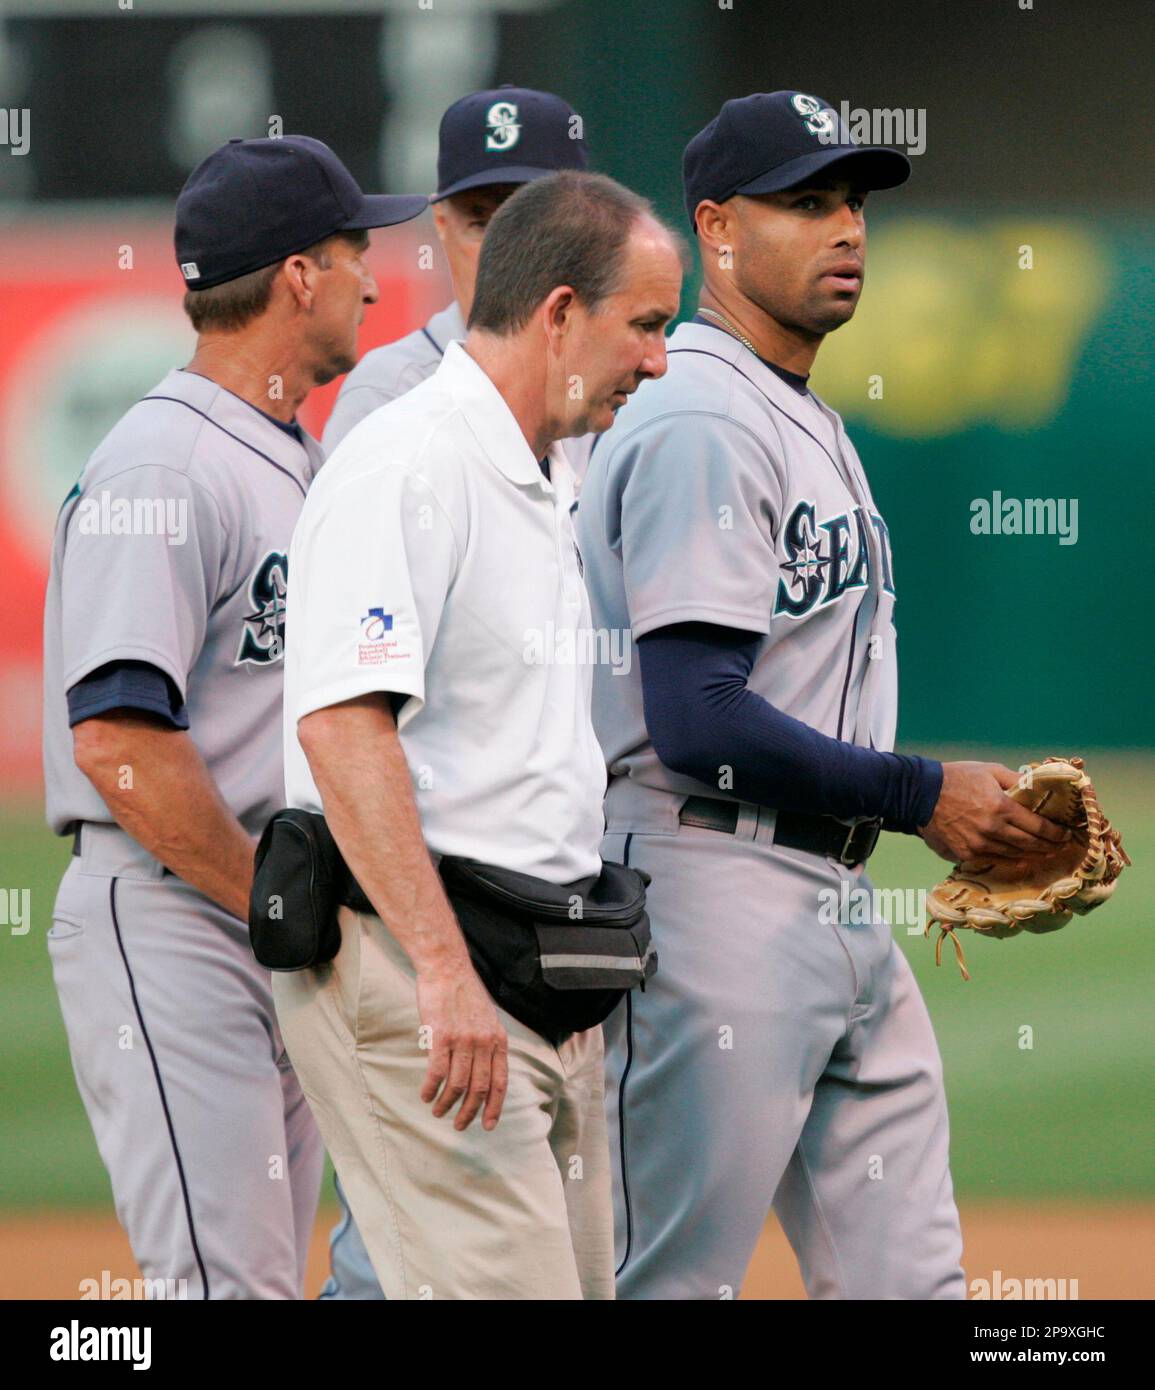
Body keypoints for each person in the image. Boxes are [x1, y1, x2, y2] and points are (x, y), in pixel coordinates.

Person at [575, 91, 1071, 1300]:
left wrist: (921, 801)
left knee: (911, 1280)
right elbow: (698, 719)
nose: (846, 227)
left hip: (831, 895)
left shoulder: (797, 414)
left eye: (852, 202)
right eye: (805, 202)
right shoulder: (700, 413)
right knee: (670, 1281)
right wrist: (923, 795)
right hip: (704, 890)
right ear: (715, 228)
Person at [273, 170, 683, 1300]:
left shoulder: (547, 470)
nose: (658, 360)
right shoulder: (409, 462)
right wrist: (447, 975)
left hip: (535, 970)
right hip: (424, 968)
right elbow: (341, 728)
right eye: (646, 323)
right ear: (560, 312)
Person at [41, 134, 426, 1299]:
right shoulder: (163, 464)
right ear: (299, 275)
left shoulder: (293, 455)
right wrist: (269, 897)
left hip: (259, 918)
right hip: (174, 913)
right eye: (355, 251)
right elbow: (115, 740)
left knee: (257, 1276)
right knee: (222, 1287)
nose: (373, 280)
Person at [319, 85, 593, 1300]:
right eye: (481, 215)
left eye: (530, 210)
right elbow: (350, 685)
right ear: (439, 227)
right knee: (403, 1240)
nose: (505, 239)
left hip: (562, 881)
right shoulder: (396, 404)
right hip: (432, 884)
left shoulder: (608, 383)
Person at [323, 85, 595, 482]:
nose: (507, 249)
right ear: (442, 223)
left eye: (534, 222)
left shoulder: (627, 378)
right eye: (481, 223)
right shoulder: (388, 391)